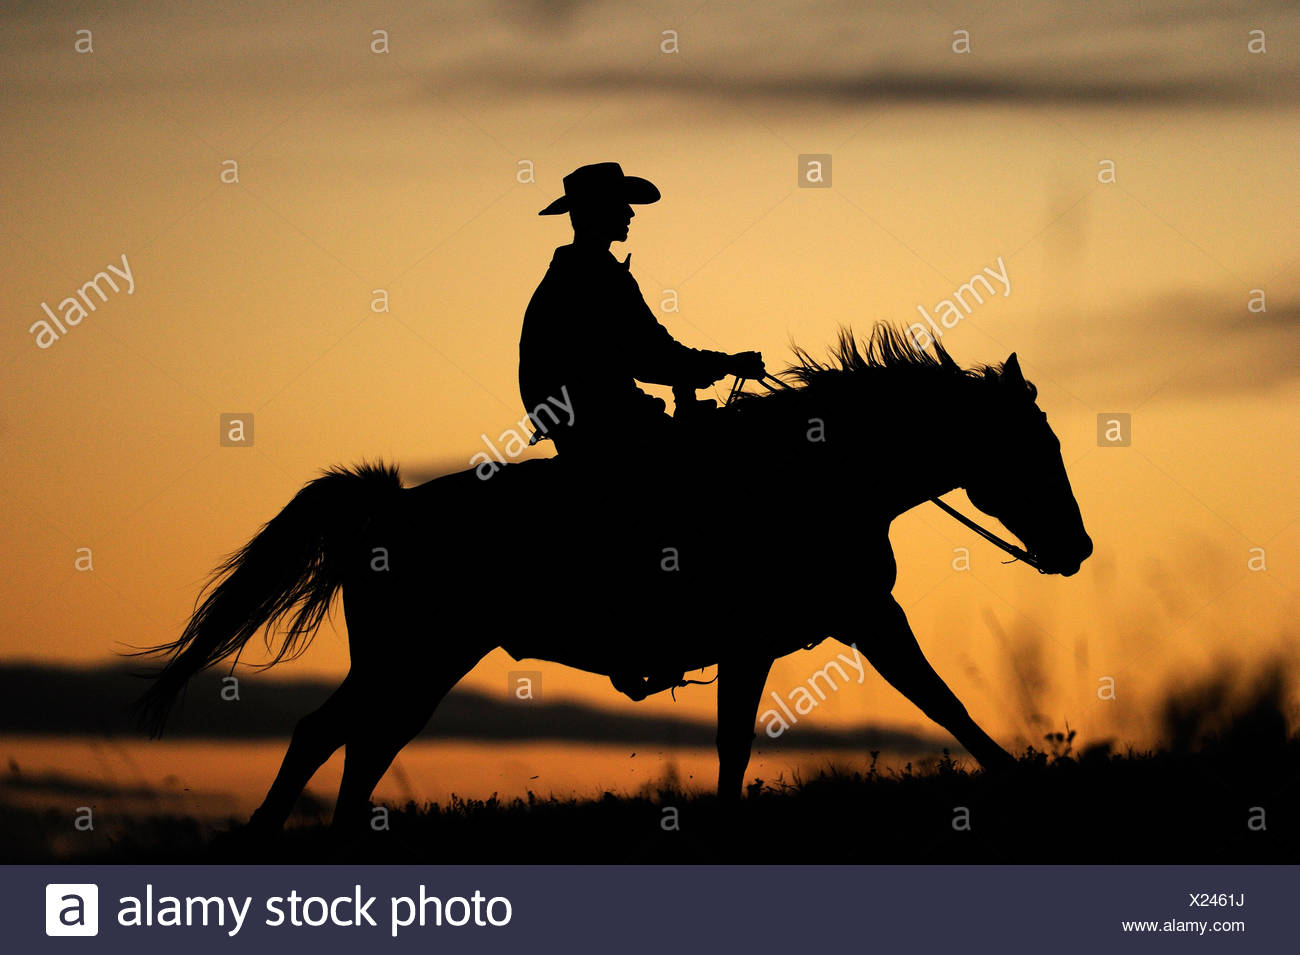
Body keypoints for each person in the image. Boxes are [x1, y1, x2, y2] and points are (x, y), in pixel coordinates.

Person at [519, 162, 765, 700]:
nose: (630, 214)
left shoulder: (583, 270)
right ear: (596, 213)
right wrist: (725, 363)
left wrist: (702, 368)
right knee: (689, 487)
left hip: (587, 413)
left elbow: (649, 353)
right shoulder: (595, 274)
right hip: (598, 418)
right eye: (620, 205)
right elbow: (652, 354)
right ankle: (654, 623)